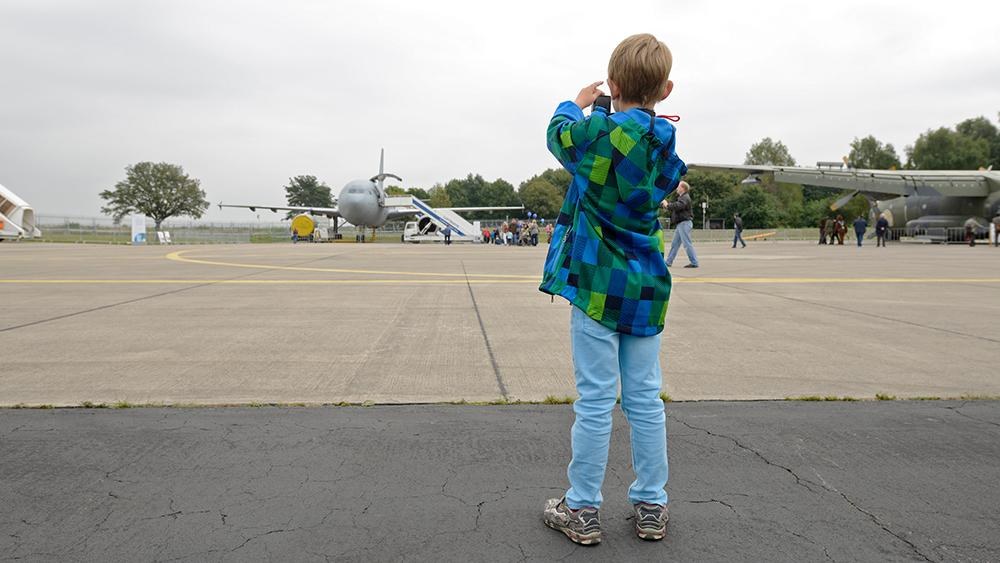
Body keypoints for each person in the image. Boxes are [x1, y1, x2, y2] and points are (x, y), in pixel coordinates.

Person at [540, 33, 683, 545]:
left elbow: (560, 134)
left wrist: (577, 104)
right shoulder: (665, 146)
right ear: (665, 90)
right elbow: (657, 178)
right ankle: (651, 504)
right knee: (645, 398)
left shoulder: (594, 136)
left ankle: (581, 508)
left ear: (614, 85)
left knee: (596, 401)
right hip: (645, 287)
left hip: (598, 285)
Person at [663, 182, 698, 268]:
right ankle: (668, 262)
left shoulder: (684, 197)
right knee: (675, 244)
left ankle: (694, 262)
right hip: (681, 224)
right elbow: (676, 206)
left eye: (678, 187)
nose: (677, 189)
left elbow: (678, 206)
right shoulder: (682, 197)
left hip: (684, 223)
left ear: (683, 188)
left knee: (687, 243)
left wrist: (667, 205)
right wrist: (666, 205)